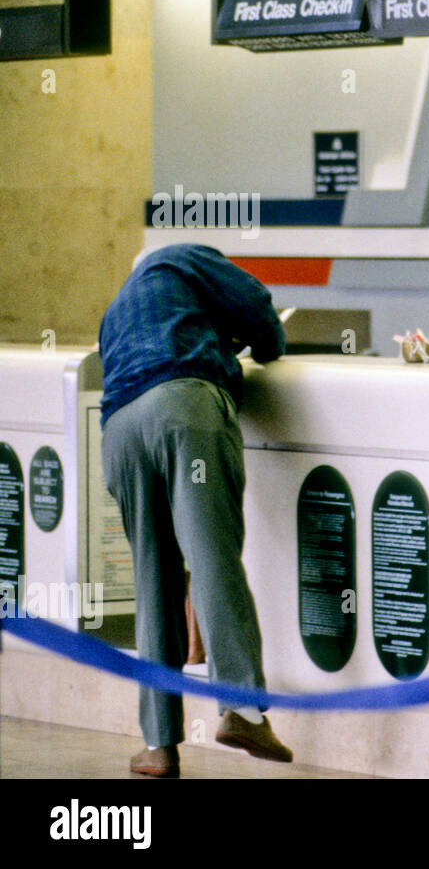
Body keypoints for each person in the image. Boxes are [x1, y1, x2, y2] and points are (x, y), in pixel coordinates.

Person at [99, 243, 292, 777]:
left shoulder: (116, 308)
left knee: (154, 583)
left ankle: (159, 745)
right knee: (212, 557)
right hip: (182, 407)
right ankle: (242, 709)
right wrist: (270, 344)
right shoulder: (180, 257)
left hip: (119, 433)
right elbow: (255, 303)